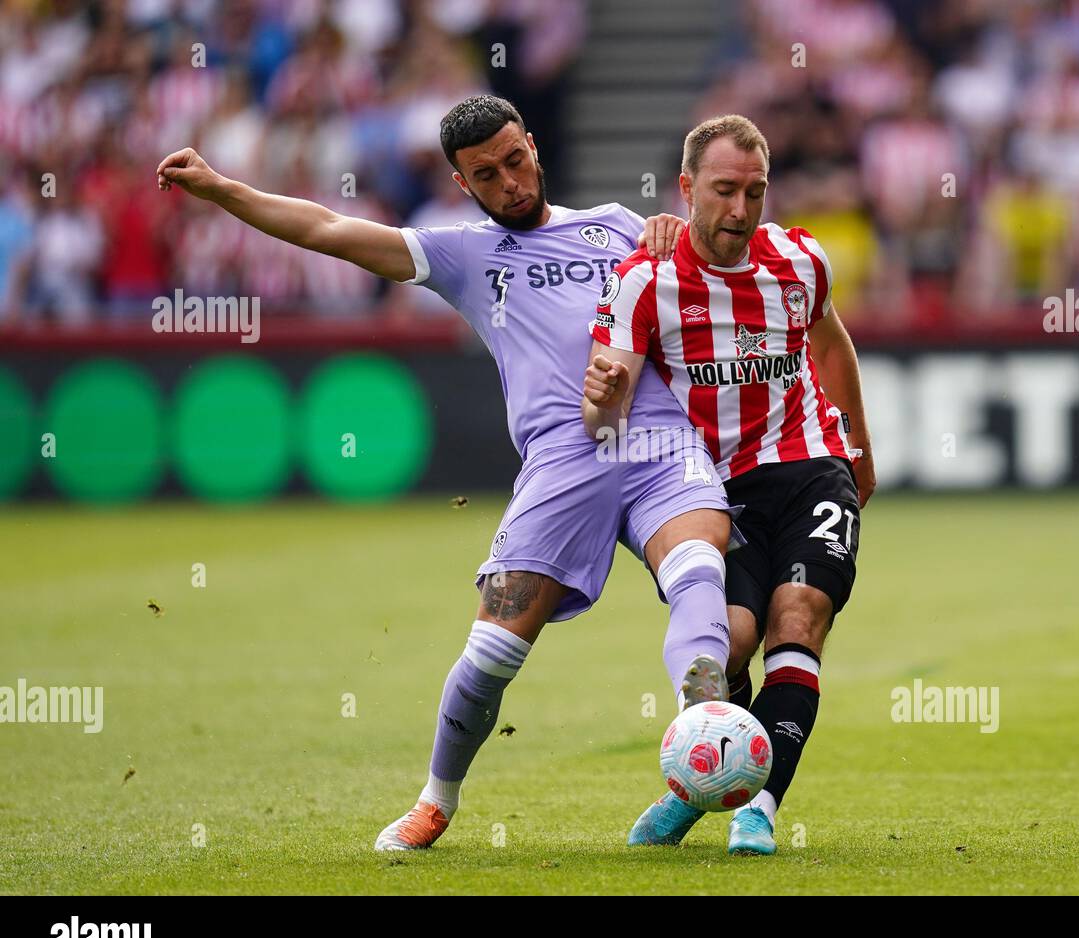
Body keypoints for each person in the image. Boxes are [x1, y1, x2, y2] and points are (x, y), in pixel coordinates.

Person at [157, 94, 735, 852]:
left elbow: (722, 274)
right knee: (493, 654)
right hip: (565, 459)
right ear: (464, 185)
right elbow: (330, 230)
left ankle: (706, 722)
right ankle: (438, 798)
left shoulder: (619, 227)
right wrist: (224, 188)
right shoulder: (464, 253)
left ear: (533, 144)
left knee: (698, 572)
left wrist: (677, 236)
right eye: (486, 175)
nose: (510, 184)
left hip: (658, 441)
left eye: (515, 162)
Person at [584, 114, 876, 855]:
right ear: (686, 189)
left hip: (810, 465)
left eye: (755, 191)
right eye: (723, 192)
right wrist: (606, 394)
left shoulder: (801, 261)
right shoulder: (645, 279)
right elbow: (603, 413)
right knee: (731, 644)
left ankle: (762, 807)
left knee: (798, 619)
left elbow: (830, 338)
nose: (741, 211)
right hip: (714, 493)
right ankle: (702, 782)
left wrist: (860, 444)